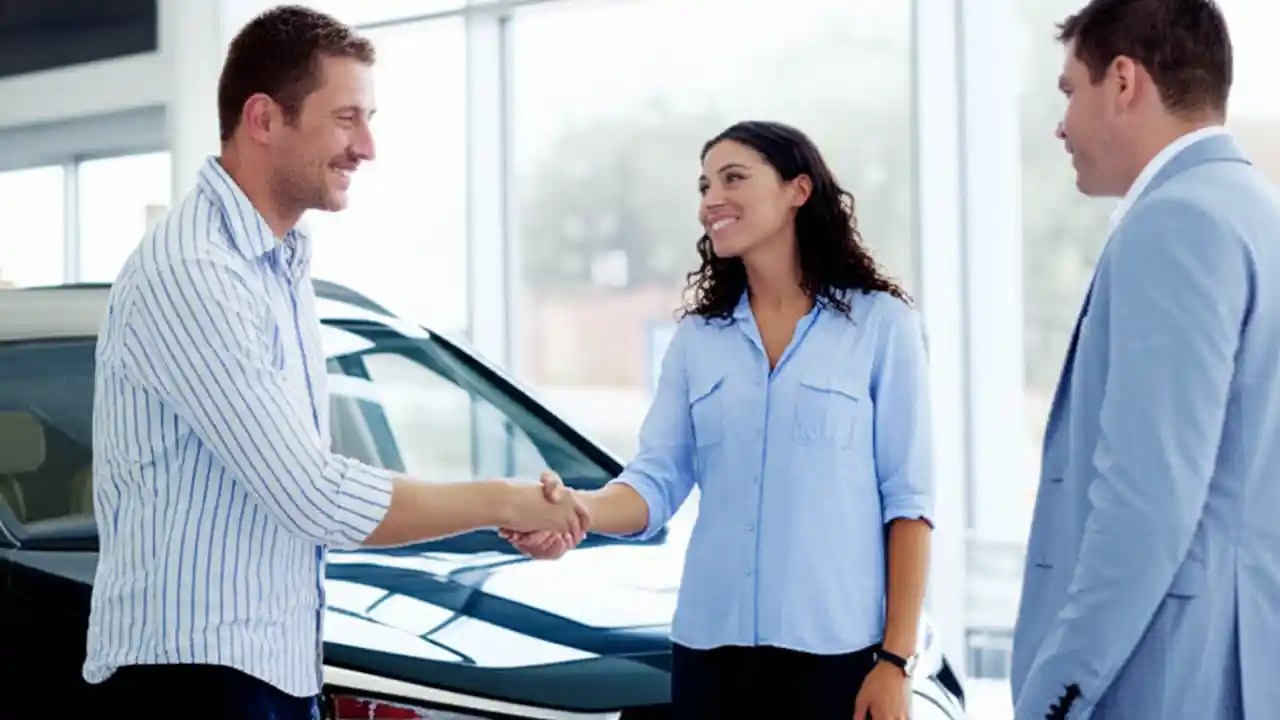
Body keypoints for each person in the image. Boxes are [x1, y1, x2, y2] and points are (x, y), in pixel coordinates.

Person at [81, 6, 587, 718]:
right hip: (193, 678)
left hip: (265, 668)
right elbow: (313, 493)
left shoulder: (274, 265)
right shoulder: (194, 271)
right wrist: (503, 500)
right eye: (347, 117)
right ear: (264, 119)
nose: (368, 146)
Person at [503, 120, 935, 720]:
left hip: (839, 656)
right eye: (704, 186)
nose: (711, 201)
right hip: (711, 653)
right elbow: (656, 480)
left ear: (798, 190)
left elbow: (909, 505)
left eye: (733, 178)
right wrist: (577, 509)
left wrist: (896, 661)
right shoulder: (697, 340)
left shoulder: (883, 326)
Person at [1011, 1, 1280, 718]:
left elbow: (1146, 508)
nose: (1060, 124)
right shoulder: (1258, 212)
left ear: (1123, 80)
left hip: (1164, 681)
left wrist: (1051, 700)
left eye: (1069, 90)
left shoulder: (1178, 221)